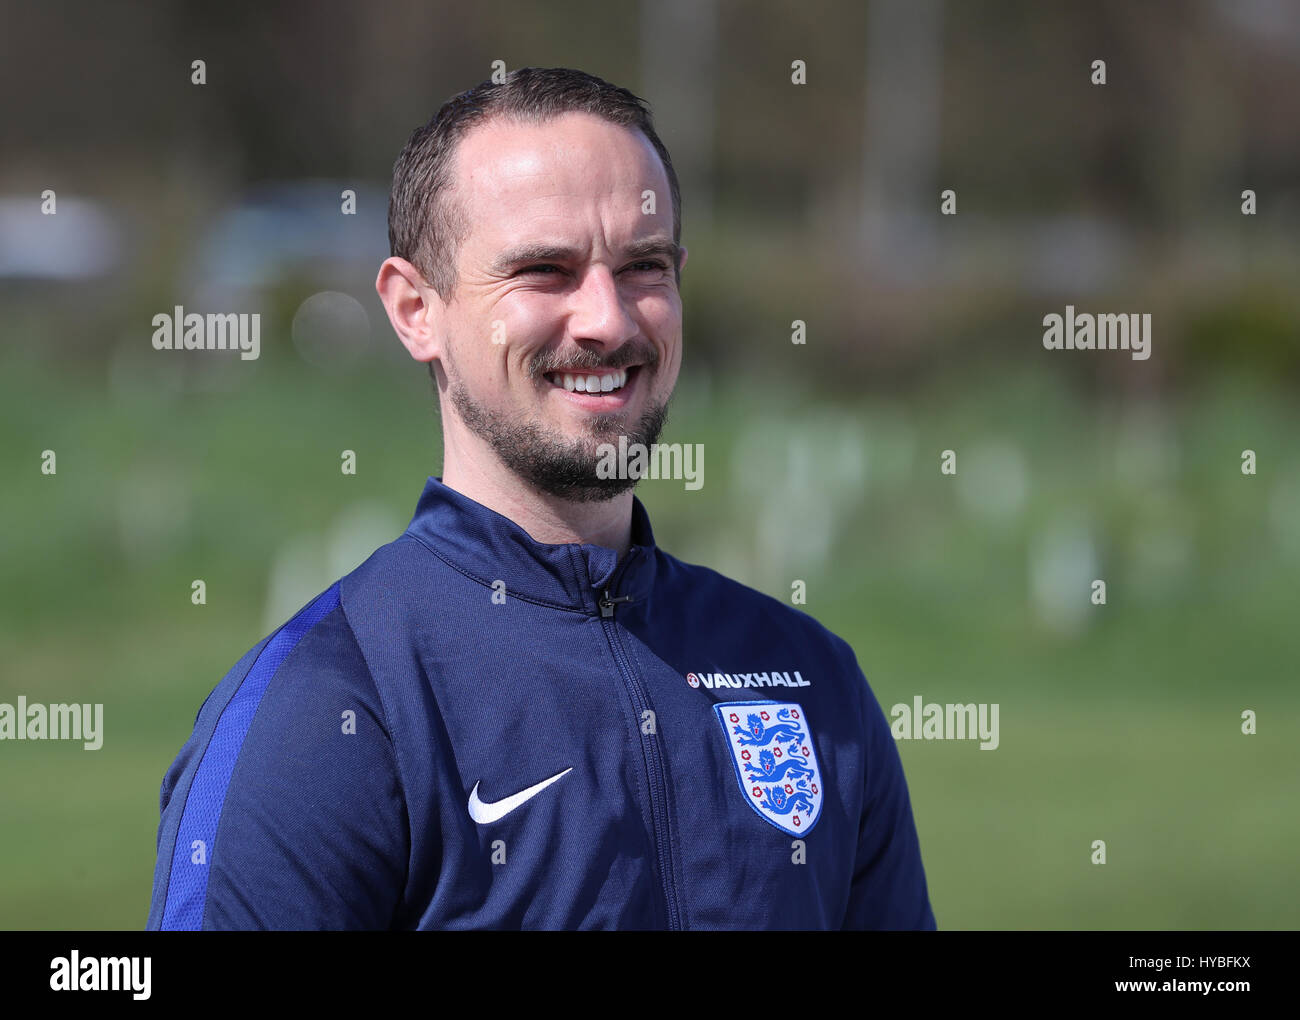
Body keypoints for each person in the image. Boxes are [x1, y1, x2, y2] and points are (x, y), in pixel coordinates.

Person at [146, 66, 936, 930]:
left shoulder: (814, 680)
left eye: (643, 266)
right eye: (545, 270)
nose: (608, 319)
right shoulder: (325, 709)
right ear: (416, 309)